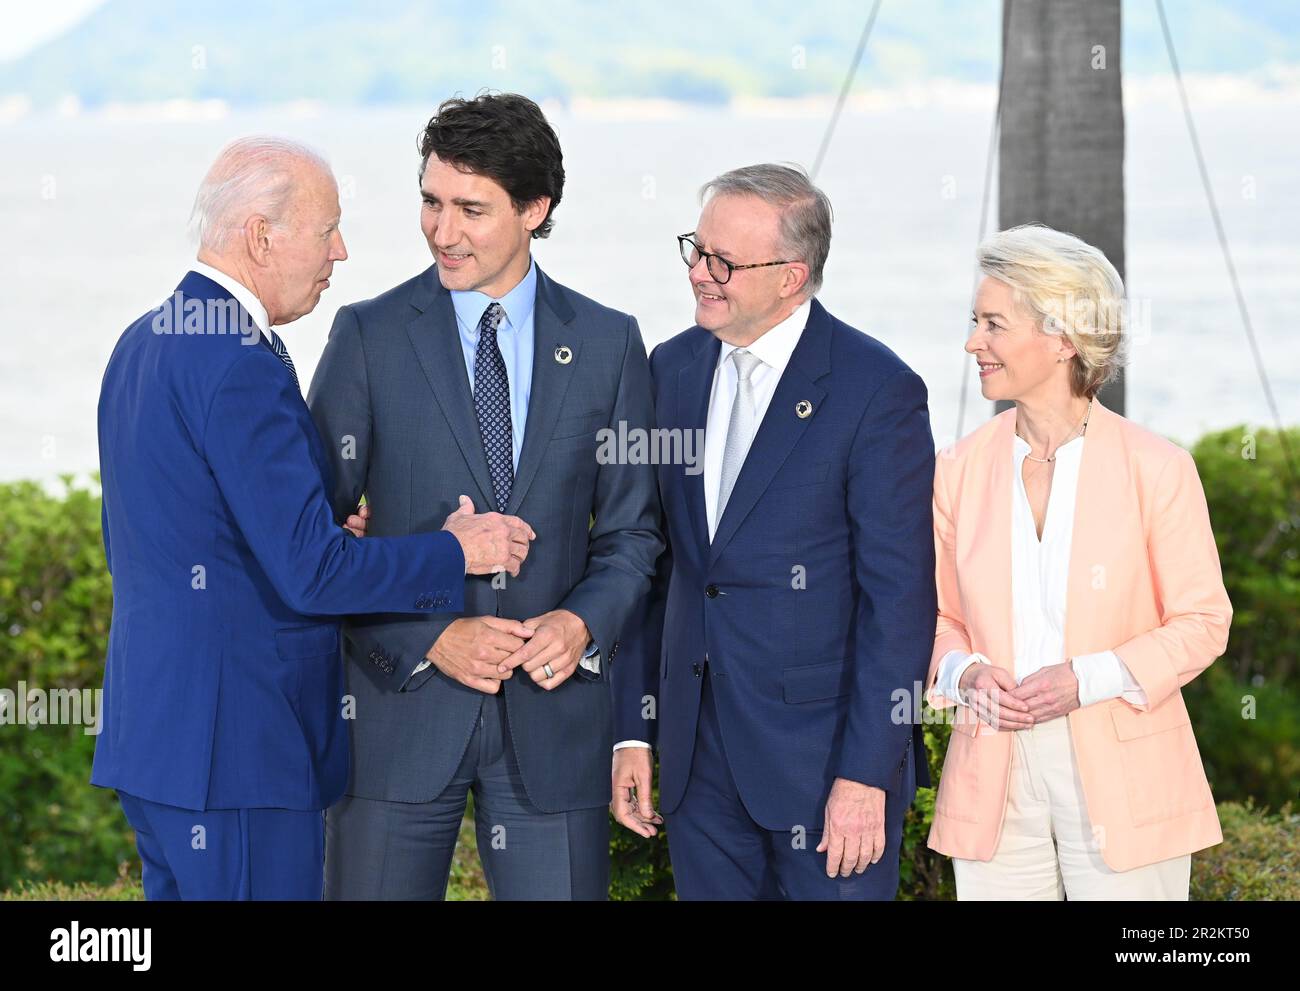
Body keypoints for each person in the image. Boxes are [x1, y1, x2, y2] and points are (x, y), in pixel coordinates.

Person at [92, 136, 531, 901]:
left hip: (158, 742)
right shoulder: (238, 360)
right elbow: (310, 574)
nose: (343, 251)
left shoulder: (145, 340)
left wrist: (322, 535)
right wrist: (453, 550)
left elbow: (181, 535)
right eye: (327, 229)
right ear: (262, 234)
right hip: (241, 752)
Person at [308, 94, 662, 901]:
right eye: (431, 202)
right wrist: (432, 637)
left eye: (471, 208)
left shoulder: (610, 343)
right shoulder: (368, 334)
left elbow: (634, 535)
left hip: (554, 724)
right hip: (395, 717)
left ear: (535, 209)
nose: (442, 230)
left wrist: (579, 624)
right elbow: (313, 539)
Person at [611, 164, 936, 899]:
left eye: (722, 260)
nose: (699, 272)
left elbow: (901, 603)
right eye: (697, 249)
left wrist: (865, 773)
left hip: (825, 775)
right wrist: (633, 729)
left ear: (792, 276)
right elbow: (652, 566)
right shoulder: (672, 368)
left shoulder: (877, 391)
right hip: (697, 767)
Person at [925, 223, 1232, 899]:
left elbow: (1204, 620)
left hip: (1126, 769)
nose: (973, 342)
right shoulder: (956, 469)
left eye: (994, 324)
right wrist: (967, 671)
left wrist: (1084, 678)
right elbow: (937, 615)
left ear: (1062, 337)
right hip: (993, 773)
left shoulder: (1158, 468)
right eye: (975, 322)